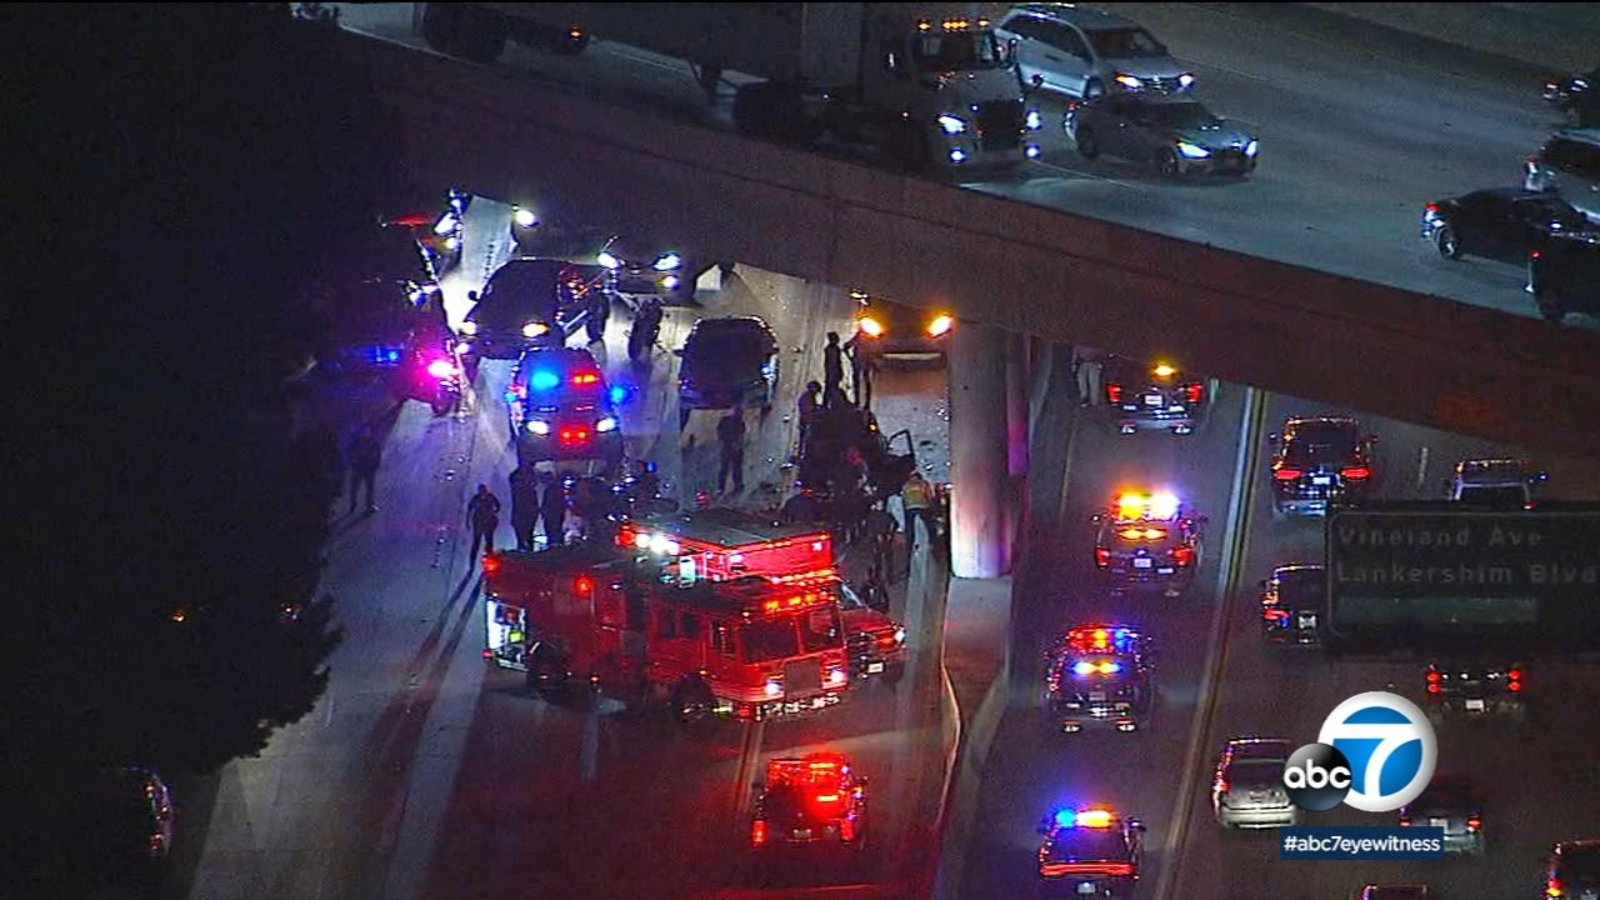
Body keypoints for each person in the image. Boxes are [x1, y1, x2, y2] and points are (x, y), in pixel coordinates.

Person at [348, 425, 382, 515]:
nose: (366, 433)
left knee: (357, 488)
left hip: (362, 468)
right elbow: (378, 454)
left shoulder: (357, 442)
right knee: (366, 488)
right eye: (365, 432)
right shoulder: (372, 442)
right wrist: (376, 464)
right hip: (365, 468)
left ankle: (355, 505)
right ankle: (367, 506)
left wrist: (352, 463)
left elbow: (378, 454)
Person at [844, 333, 880, 411]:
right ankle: (865, 402)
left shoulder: (860, 337)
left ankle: (859, 401)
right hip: (864, 361)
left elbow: (846, 346)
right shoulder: (867, 338)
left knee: (859, 381)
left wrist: (850, 358)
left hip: (860, 361)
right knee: (865, 382)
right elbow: (875, 351)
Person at [716, 407, 746, 495]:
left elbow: (741, 434)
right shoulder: (735, 422)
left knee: (731, 468)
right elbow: (720, 432)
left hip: (731, 447)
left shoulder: (730, 421)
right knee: (731, 468)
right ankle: (727, 487)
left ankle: (725, 487)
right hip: (730, 446)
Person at [467, 484, 501, 560]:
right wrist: (468, 521)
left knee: (488, 538)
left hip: (488, 521)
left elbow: (498, 505)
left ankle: (489, 555)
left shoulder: (490, 497)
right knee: (477, 540)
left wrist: (494, 512)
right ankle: (473, 558)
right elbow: (470, 509)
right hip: (478, 521)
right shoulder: (476, 498)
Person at [509, 466, 538, 551]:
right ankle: (525, 552)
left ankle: (526, 552)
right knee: (524, 537)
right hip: (521, 516)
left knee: (526, 537)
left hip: (524, 516)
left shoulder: (526, 491)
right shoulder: (523, 490)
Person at [901, 470, 932, 548]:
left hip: (910, 507)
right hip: (922, 506)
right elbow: (929, 495)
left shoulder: (906, 485)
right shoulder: (924, 484)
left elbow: (904, 497)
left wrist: (905, 507)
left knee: (910, 527)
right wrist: (929, 505)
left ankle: (910, 544)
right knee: (928, 525)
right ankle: (931, 542)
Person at [539, 471, 566, 549]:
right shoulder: (554, 489)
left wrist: (546, 511)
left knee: (553, 533)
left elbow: (554, 504)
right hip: (554, 516)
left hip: (553, 516)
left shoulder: (552, 489)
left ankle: (554, 548)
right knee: (554, 532)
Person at [796, 381, 822, 460]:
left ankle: (801, 453)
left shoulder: (809, 396)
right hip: (807, 421)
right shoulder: (806, 398)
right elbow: (808, 411)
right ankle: (802, 454)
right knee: (805, 438)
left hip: (807, 420)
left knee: (804, 438)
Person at [823, 331, 845, 406]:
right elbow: (834, 362)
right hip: (832, 371)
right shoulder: (832, 349)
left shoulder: (832, 349)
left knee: (830, 387)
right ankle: (829, 403)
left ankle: (827, 403)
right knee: (831, 387)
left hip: (832, 371)